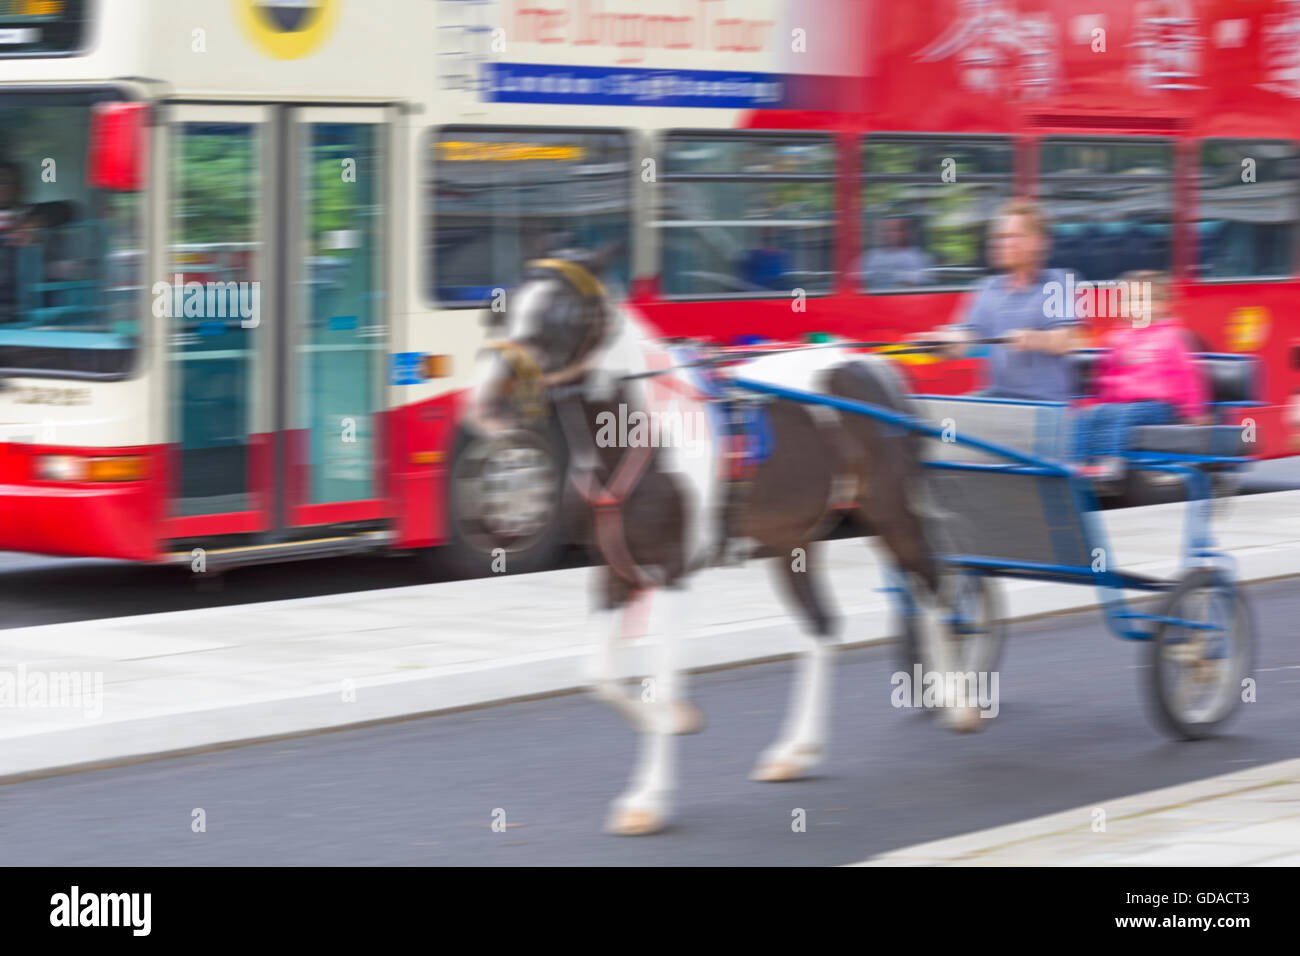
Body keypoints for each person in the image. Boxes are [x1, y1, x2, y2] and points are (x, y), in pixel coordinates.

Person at [920, 198, 1078, 402]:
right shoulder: (987, 288)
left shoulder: (1057, 282)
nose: (1003, 244)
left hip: (1046, 405)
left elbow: (1067, 341)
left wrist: (1035, 339)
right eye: (1000, 237)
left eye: (1014, 236)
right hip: (1001, 399)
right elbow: (966, 338)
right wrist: (943, 343)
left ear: (1039, 242)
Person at [1071, 270, 1209, 482]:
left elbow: (1187, 377)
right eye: (1129, 300)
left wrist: (1195, 412)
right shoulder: (1116, 339)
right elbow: (1107, 376)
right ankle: (1079, 463)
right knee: (1087, 414)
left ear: (1160, 305)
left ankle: (1111, 462)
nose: (1135, 306)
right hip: (1123, 405)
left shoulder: (1169, 337)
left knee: (1124, 415)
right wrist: (1098, 404)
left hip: (1160, 407)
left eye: (1141, 300)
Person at [857, 217, 934, 289]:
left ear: (905, 233)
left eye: (895, 230)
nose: (889, 234)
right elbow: (854, 280)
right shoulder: (870, 256)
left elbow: (921, 285)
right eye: (885, 230)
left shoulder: (917, 256)